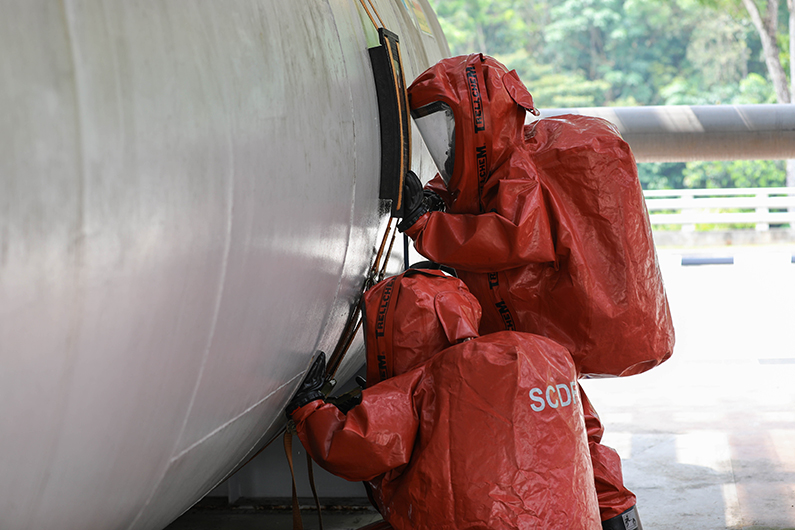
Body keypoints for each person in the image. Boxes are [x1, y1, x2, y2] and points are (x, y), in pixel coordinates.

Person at [399, 53, 676, 530]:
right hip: (537, 339)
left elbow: (512, 236)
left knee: (571, 431)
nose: (443, 141)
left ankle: (614, 516)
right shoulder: (501, 166)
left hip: (537, 339)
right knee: (571, 428)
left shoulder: (518, 173)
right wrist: (435, 202)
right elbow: (476, 205)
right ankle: (614, 517)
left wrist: (427, 225)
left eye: (447, 124)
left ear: (477, 121)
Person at [286, 269, 601, 530]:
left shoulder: (430, 378)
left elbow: (352, 448)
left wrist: (310, 408)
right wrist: (617, 512)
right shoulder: (549, 356)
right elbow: (591, 442)